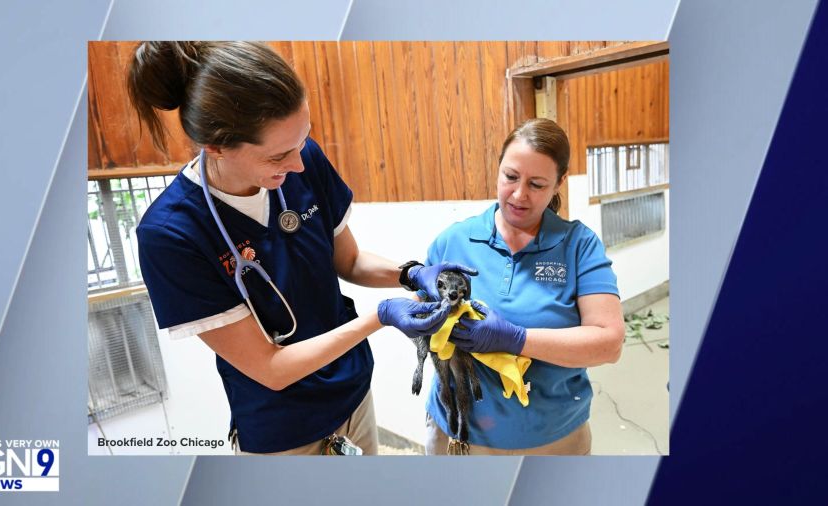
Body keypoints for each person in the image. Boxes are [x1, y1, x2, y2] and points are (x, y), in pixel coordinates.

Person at [127, 41, 473, 455]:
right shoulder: (172, 235)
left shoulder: (302, 160)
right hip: (283, 430)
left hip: (353, 396)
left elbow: (349, 260)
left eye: (302, 140)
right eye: (278, 155)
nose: (299, 165)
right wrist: (381, 318)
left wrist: (410, 273)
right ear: (216, 147)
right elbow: (271, 369)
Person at [420, 118, 625, 455]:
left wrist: (515, 338)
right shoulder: (455, 240)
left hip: (553, 440)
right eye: (510, 177)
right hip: (458, 436)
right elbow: (425, 316)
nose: (518, 194)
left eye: (537, 184)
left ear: (559, 182)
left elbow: (609, 343)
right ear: (498, 168)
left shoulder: (578, 246)